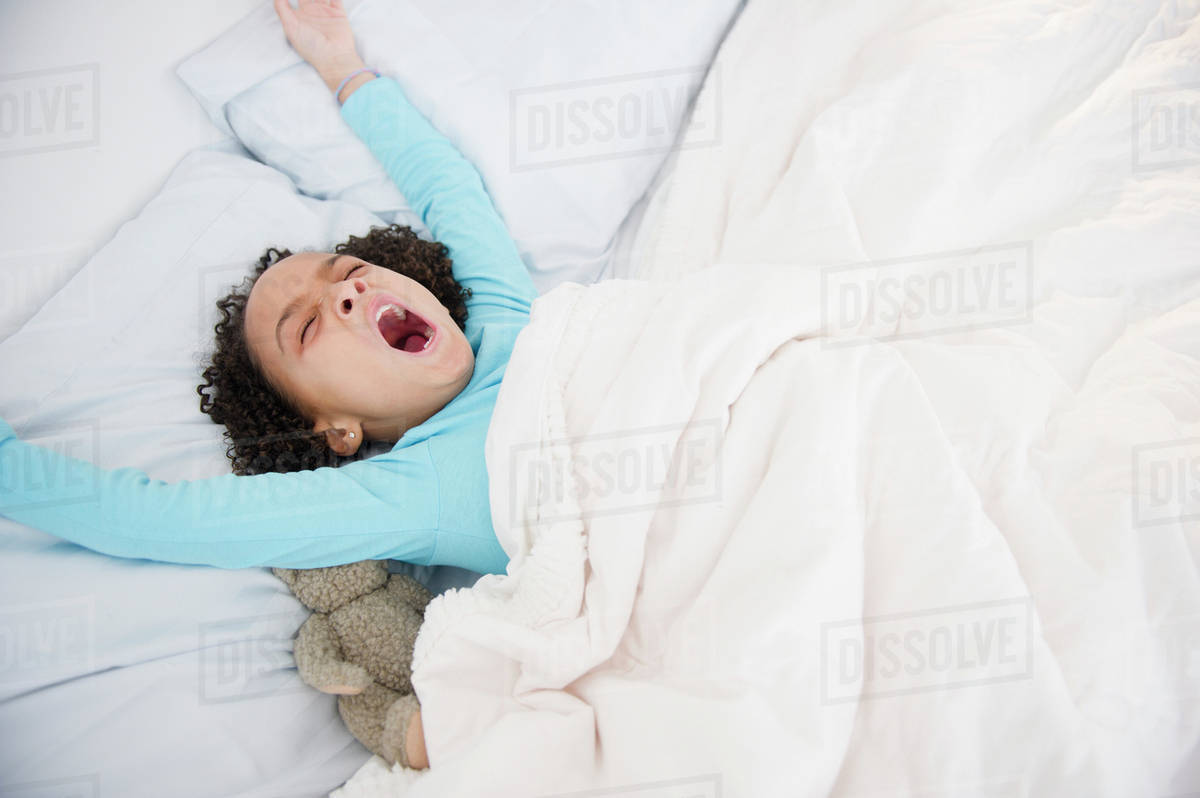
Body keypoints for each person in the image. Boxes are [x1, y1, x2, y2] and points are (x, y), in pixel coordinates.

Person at [0, 0, 538, 770]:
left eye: (349, 273)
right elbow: (155, 518)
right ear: (337, 428)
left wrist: (343, 69)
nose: (348, 293)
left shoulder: (504, 316)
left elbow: (448, 189)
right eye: (310, 327)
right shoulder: (401, 492)